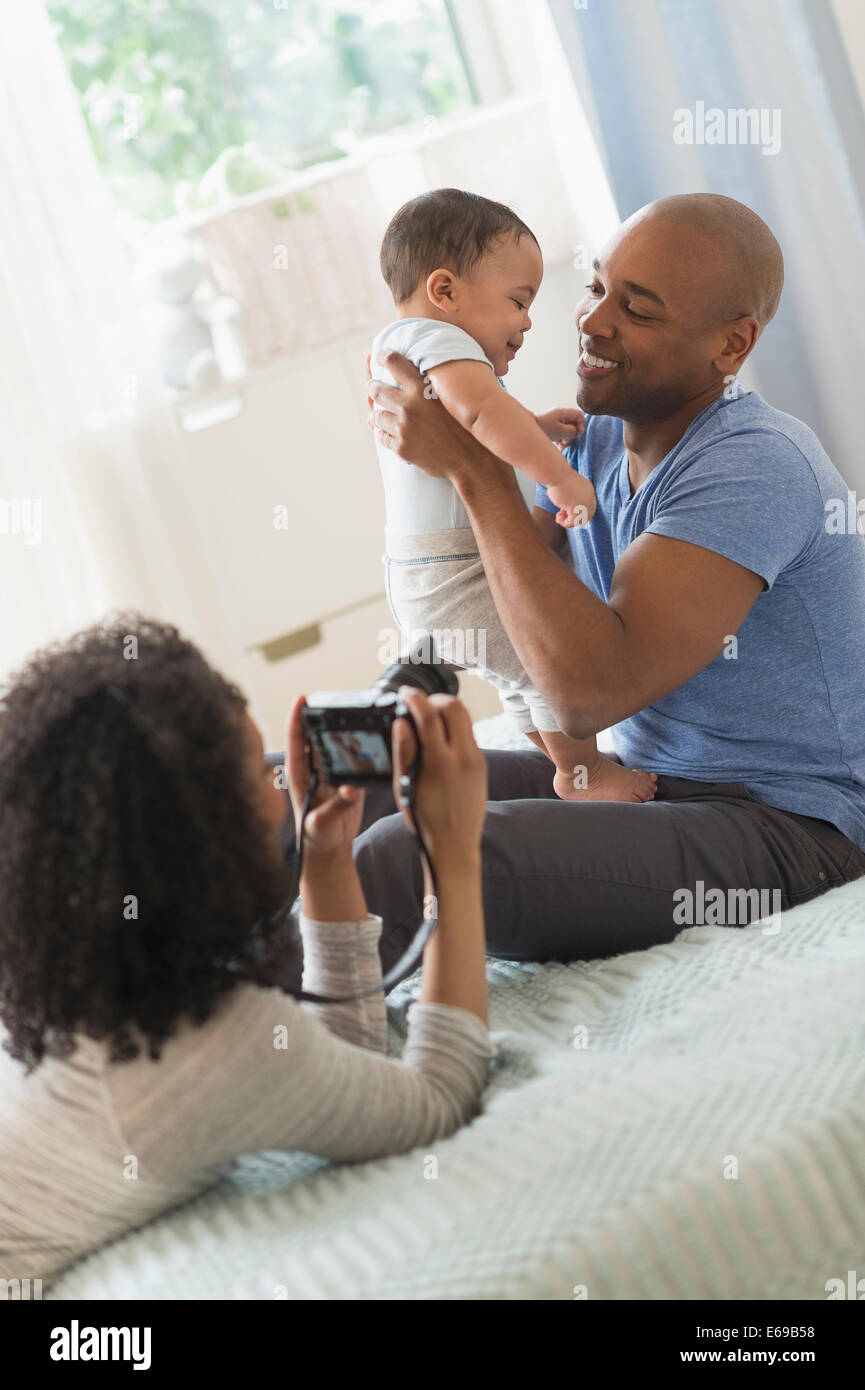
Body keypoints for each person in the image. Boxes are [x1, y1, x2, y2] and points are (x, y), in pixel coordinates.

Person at [357, 192, 865, 970]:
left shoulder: (753, 466)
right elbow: (523, 598)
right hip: (648, 773)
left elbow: (585, 691)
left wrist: (471, 468)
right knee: (349, 775)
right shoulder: (590, 442)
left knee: (405, 853)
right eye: (595, 287)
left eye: (638, 309)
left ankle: (296, 1068)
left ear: (730, 346)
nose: (591, 321)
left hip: (784, 821)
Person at [0, 615, 494, 1289]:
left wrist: (324, 858)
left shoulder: (74, 975)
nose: (275, 786)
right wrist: (454, 854)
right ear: (197, 848)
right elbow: (436, 1099)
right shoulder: (202, 1047)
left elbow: (333, 1073)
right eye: (253, 777)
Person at [371, 188, 655, 805]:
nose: (527, 320)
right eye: (517, 301)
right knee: (541, 660)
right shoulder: (436, 339)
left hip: (427, 574)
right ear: (444, 291)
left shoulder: (415, 347)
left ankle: (566, 765)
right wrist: (559, 476)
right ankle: (581, 773)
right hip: (455, 567)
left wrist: (536, 424)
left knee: (515, 674)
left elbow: (482, 411)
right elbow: (477, 415)